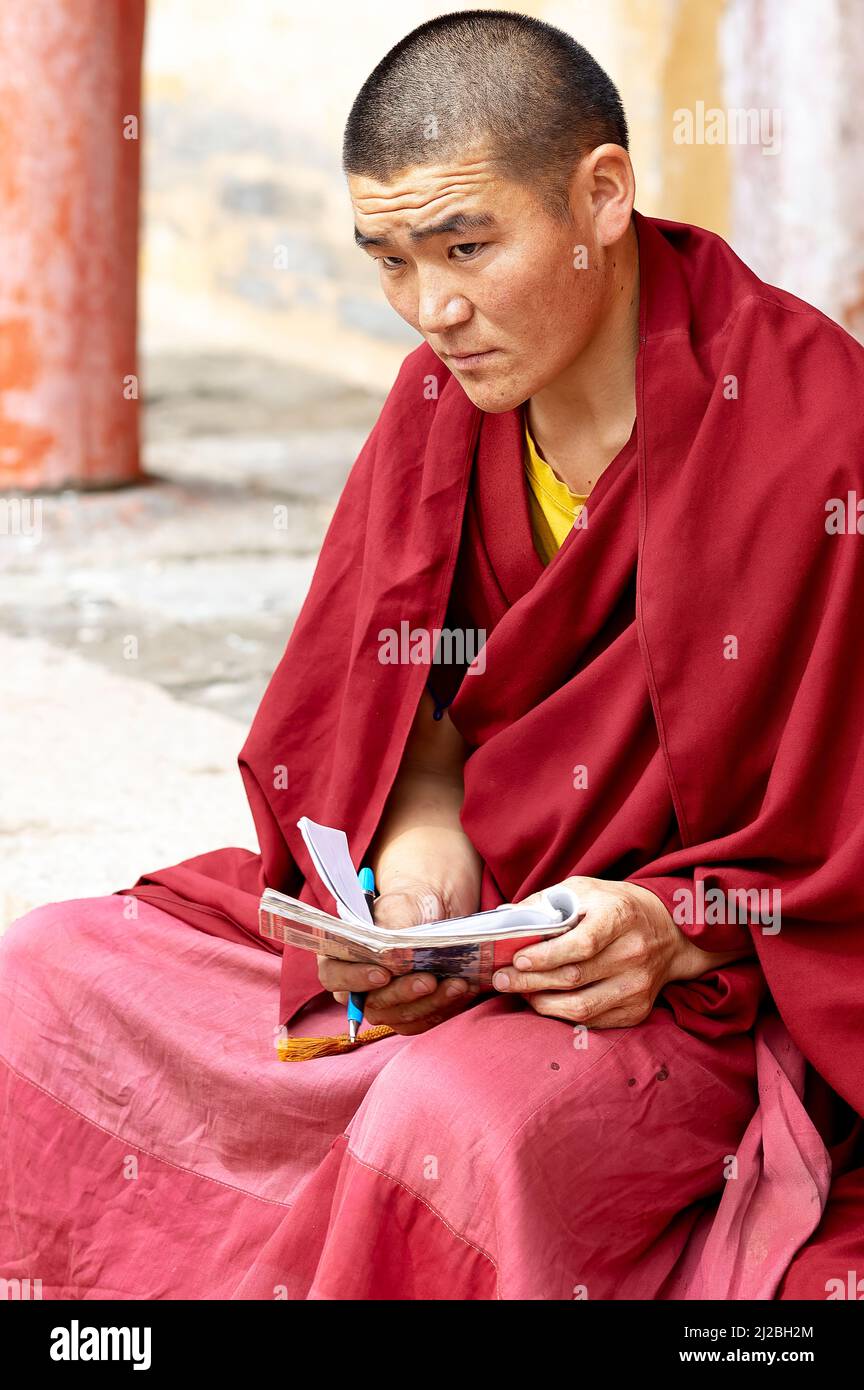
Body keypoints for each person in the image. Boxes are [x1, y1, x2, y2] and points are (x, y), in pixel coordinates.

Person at [2, 9, 863, 1301]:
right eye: (392, 261)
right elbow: (412, 713)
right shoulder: (440, 403)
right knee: (50, 976)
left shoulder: (814, 430)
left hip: (688, 997)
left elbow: (838, 840)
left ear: (603, 195)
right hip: (473, 951)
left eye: (467, 247)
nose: (433, 309)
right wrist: (411, 860)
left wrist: (672, 926)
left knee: (452, 1128)